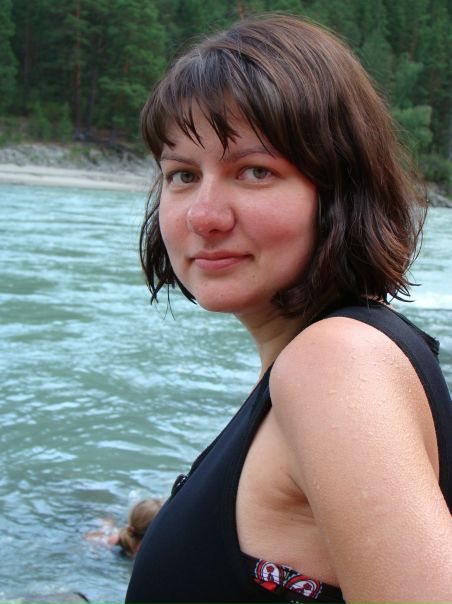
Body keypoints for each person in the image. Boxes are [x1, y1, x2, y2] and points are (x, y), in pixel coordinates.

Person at [125, 14, 452, 604]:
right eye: (182, 175)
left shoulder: (335, 362)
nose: (204, 215)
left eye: (255, 171)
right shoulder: (338, 355)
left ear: (341, 189)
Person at [85, 498, 163, 558]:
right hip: (115, 536)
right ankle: (106, 523)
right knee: (107, 529)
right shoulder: (116, 539)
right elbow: (90, 538)